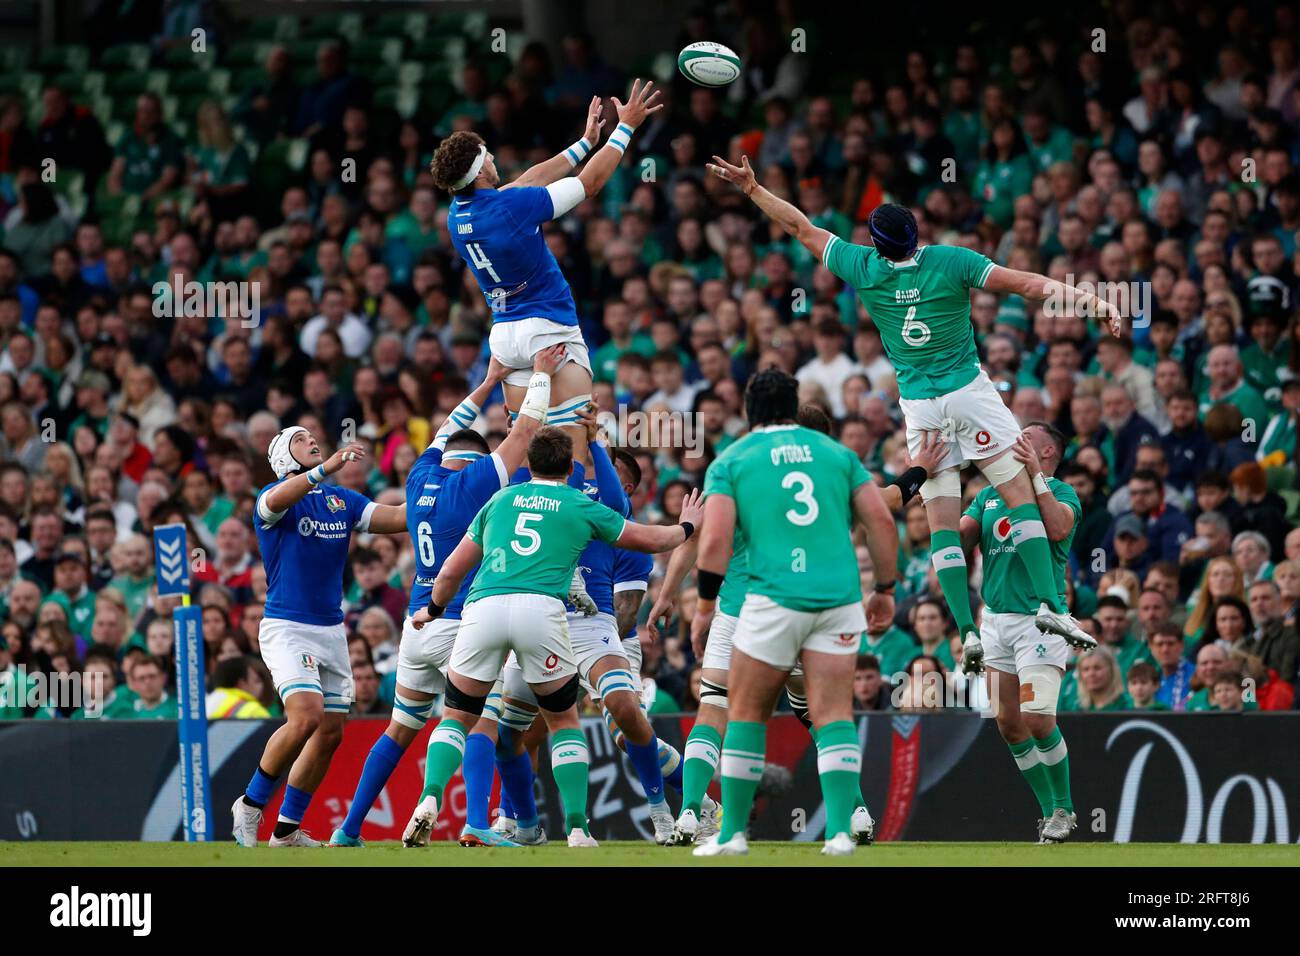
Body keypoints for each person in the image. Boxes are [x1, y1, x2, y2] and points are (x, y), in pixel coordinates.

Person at [708, 155, 1108, 659]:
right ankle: (1051, 603)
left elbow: (800, 226)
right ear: (916, 236)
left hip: (920, 407)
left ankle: (965, 631)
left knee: (941, 519)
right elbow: (1029, 284)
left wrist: (753, 188)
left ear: (878, 244)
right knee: (1019, 493)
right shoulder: (952, 260)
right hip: (968, 393)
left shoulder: (864, 267)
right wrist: (1094, 302)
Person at [406, 426, 702, 848]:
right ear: (571, 467)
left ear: (526, 464)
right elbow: (649, 538)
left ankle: (430, 798)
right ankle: (576, 827)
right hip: (542, 613)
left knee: (457, 716)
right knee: (562, 722)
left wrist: (431, 611)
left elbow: (452, 570)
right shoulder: (579, 503)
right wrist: (687, 527)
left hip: (484, 607)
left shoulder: (499, 500)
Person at [329, 352, 556, 848]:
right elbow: (523, 436)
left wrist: (489, 380)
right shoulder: (477, 483)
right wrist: (540, 374)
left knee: (399, 731)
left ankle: (347, 830)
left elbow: (447, 429)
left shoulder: (418, 477)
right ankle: (477, 822)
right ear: (479, 458)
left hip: (418, 624)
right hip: (461, 622)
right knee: (485, 719)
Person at [687, 370, 900, 858]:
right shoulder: (839, 455)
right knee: (831, 714)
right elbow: (881, 520)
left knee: (744, 711)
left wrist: (702, 607)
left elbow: (716, 541)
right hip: (837, 598)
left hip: (772, 599)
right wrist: (884, 589)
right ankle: (844, 832)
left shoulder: (733, 459)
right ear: (793, 405)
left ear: (748, 409)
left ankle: (732, 834)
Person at [432, 82, 662, 466]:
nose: (493, 161)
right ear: (480, 170)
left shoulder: (459, 213)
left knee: (527, 456)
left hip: (506, 339)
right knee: (573, 455)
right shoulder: (510, 208)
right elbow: (590, 184)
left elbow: (526, 182)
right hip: (548, 328)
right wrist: (626, 128)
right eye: (487, 156)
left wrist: (585, 142)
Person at [230, 426, 406, 848]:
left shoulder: (341, 500)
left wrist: (445, 499)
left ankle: (286, 831)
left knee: (330, 732)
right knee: (305, 716)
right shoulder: (273, 498)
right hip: (287, 627)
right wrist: (327, 467)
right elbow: (274, 501)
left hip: (331, 629)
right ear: (282, 459)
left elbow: (397, 518)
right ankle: (251, 805)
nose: (312, 439)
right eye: (299, 439)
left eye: (312, 436)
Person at [960, 421, 1080, 843]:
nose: (1011, 441)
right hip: (994, 621)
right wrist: (933, 501)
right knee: (1008, 723)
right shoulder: (989, 495)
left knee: (1036, 716)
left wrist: (1035, 478)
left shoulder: (1062, 493)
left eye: (1023, 437)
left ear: (1045, 452)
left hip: (1040, 621)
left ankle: (1065, 807)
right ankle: (1049, 814)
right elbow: (959, 539)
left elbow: (1060, 529)